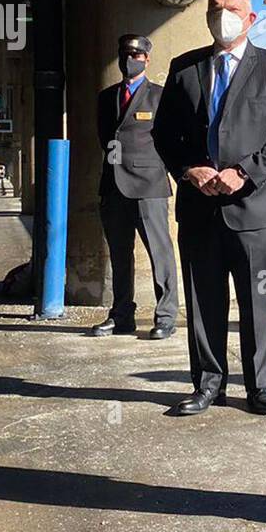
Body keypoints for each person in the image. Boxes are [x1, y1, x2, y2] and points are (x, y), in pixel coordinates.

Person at [154, 0, 266, 416]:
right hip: (199, 207)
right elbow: (165, 133)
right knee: (204, 301)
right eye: (216, 9)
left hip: (257, 211)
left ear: (251, 18)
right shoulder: (184, 69)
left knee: (257, 299)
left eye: (233, 8)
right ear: (207, 18)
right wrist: (188, 169)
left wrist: (244, 173)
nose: (224, 15)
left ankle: (261, 386)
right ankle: (207, 385)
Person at [89, 33, 178, 340]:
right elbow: (106, 139)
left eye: (136, 54)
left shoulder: (161, 96)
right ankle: (121, 315)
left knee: (160, 253)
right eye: (126, 53)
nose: (130, 59)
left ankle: (166, 316)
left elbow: (170, 140)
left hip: (149, 186)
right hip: (113, 187)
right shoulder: (105, 97)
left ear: (146, 59)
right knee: (119, 254)